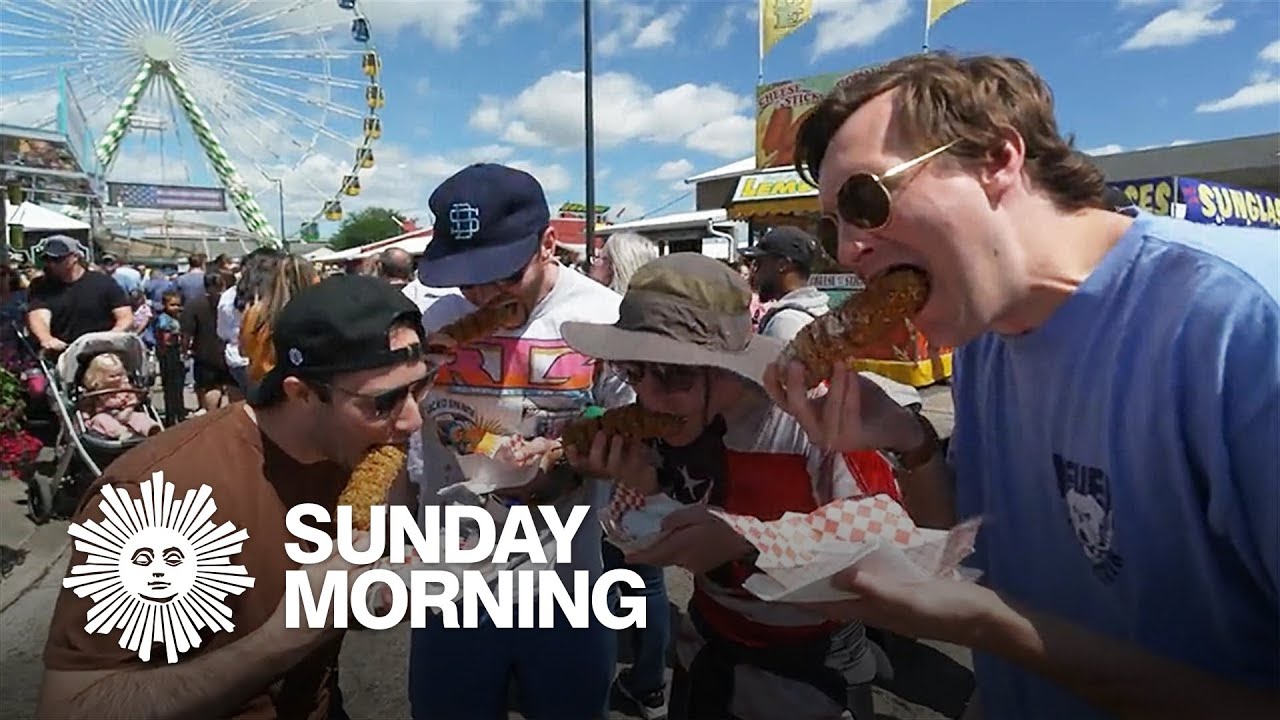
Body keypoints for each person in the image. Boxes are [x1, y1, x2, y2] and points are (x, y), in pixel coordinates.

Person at [764, 52, 1280, 720]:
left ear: (997, 160)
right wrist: (908, 441)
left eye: (865, 200)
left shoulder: (1241, 327)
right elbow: (974, 553)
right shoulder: (985, 331)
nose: (848, 249)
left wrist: (990, 628)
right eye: (830, 223)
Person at [37, 273, 428, 720]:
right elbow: (71, 708)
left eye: (420, 387)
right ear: (300, 393)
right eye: (384, 402)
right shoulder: (155, 497)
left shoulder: (357, 450)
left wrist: (370, 595)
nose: (413, 419)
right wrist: (287, 634)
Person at [562, 253, 895, 720]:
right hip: (705, 648)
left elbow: (889, 553)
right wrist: (639, 485)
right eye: (634, 371)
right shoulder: (664, 427)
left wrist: (750, 544)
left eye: (674, 372)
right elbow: (641, 531)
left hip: (813, 664)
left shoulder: (815, 420)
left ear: (724, 365)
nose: (649, 396)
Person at [406, 163, 632, 720]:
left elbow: (633, 434)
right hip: (450, 584)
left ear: (549, 244)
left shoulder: (606, 318)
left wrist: (577, 464)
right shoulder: (424, 320)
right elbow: (401, 439)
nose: (480, 293)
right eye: (464, 275)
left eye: (501, 274)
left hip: (565, 583)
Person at [583, 230, 669, 718]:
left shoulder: (618, 327)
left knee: (617, 574)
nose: (594, 262)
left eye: (601, 256)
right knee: (647, 576)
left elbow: (619, 409)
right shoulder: (658, 320)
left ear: (617, 266)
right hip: (657, 463)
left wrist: (582, 421)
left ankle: (623, 677)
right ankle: (651, 681)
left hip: (622, 466)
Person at [25, 236, 131, 353]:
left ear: (75, 257)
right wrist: (46, 338)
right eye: (47, 259)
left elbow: (124, 315)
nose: (52, 264)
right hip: (63, 351)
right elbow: (39, 315)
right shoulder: (41, 285)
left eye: (57, 259)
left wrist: (113, 334)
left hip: (100, 350)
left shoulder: (104, 283)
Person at [240, 253, 320, 384]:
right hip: (302, 388)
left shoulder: (254, 312)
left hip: (261, 386)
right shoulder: (313, 314)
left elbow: (243, 350)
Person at [742, 226, 829, 341]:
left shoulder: (785, 322)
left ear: (782, 265)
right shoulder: (821, 311)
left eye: (759, 263)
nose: (754, 272)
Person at [218, 247, 282, 395]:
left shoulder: (227, 296)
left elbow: (222, 332)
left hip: (236, 360)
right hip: (265, 361)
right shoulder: (273, 296)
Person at [182, 272, 237, 412]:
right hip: (228, 349)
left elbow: (187, 332)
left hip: (204, 352)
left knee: (211, 387)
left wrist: (184, 350)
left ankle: (212, 417)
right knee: (232, 387)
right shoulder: (230, 302)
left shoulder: (194, 304)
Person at [80, 352, 160, 439]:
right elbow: (86, 407)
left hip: (126, 413)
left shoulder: (125, 387)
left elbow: (132, 400)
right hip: (104, 415)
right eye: (112, 376)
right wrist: (86, 418)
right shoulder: (94, 391)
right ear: (99, 376)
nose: (117, 378)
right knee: (101, 420)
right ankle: (122, 433)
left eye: (119, 374)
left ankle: (151, 429)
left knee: (139, 416)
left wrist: (128, 411)